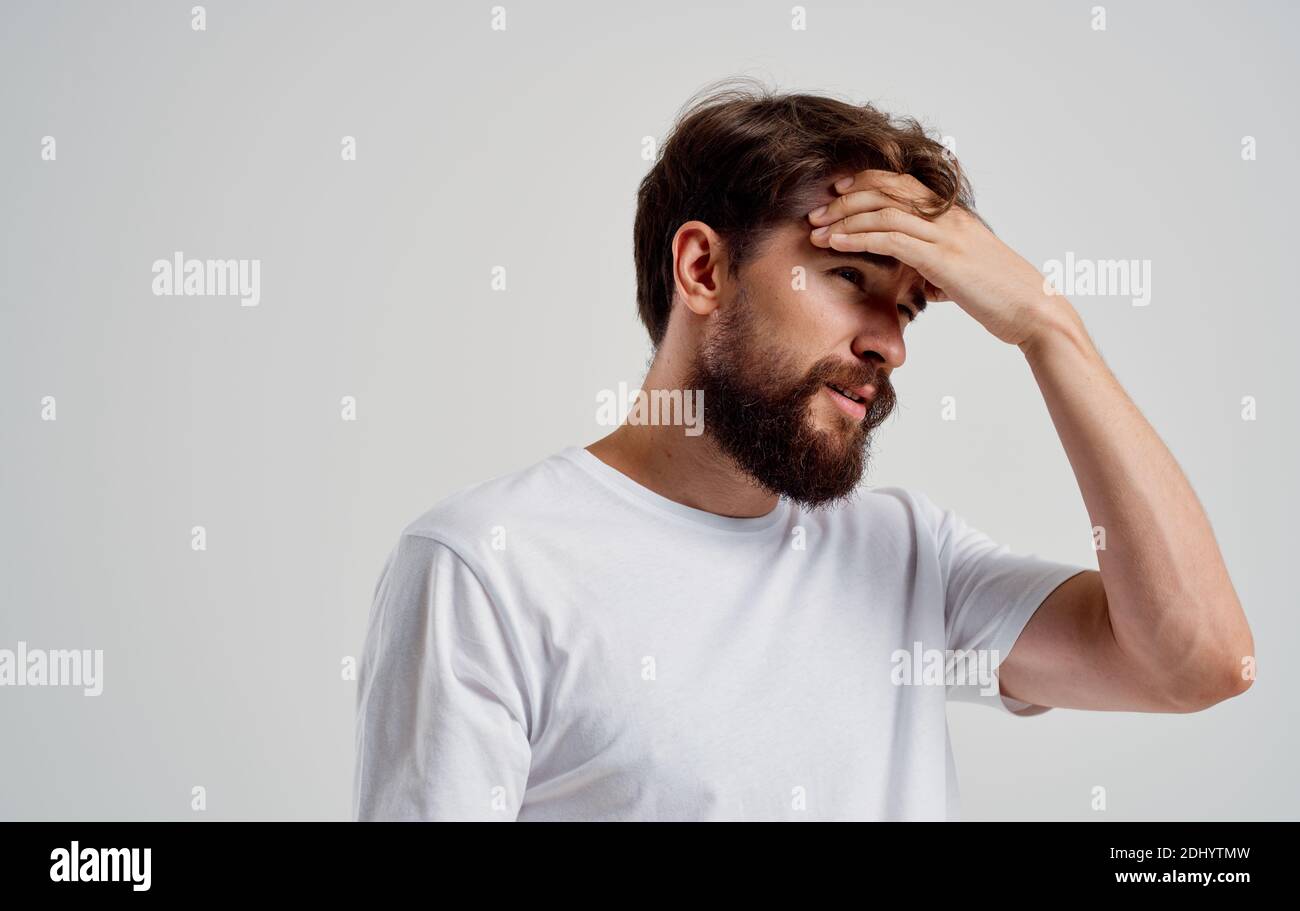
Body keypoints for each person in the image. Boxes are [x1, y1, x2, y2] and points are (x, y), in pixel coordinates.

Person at [352, 80, 1254, 821]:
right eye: (851, 277)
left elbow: (1201, 661)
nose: (888, 344)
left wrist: (1050, 328)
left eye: (906, 307)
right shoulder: (487, 566)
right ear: (704, 270)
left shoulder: (907, 556)